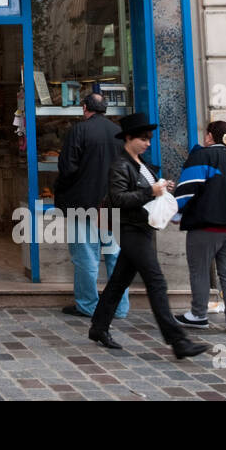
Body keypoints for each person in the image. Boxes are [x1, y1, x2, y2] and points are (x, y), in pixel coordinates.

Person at [87, 112, 208, 360]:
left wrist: (162, 187)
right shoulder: (120, 165)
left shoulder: (140, 164)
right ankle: (178, 341)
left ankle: (98, 327)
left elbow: (144, 190)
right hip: (130, 230)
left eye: (149, 138)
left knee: (119, 282)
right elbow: (118, 199)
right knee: (156, 281)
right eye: (143, 138)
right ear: (129, 138)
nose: (148, 142)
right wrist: (150, 191)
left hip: (141, 228)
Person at [173, 120, 226, 336]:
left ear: (210, 136)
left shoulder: (202, 156)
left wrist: (174, 213)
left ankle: (198, 315)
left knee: (199, 269)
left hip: (207, 225)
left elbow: (187, 189)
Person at [53, 92, 128, 319]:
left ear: (85, 107)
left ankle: (88, 305)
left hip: (84, 204)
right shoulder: (118, 132)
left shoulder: (79, 130)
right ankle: (119, 307)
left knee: (86, 256)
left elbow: (67, 168)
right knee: (114, 256)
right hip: (113, 204)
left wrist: (62, 190)